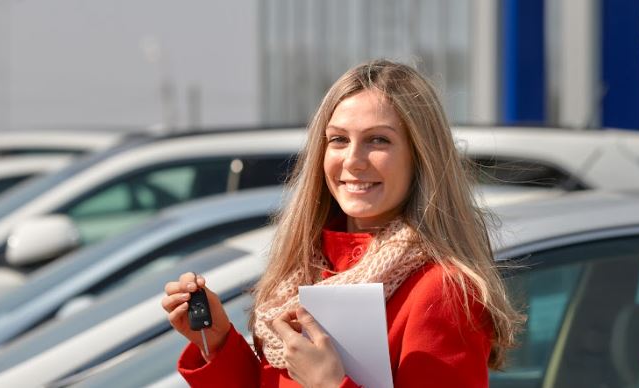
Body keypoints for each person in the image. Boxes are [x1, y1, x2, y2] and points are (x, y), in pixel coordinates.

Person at [161, 59, 524, 387]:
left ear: (421, 157)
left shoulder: (441, 290)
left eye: (378, 140)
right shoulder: (304, 269)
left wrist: (330, 385)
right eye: (338, 140)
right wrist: (219, 341)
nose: (353, 160)